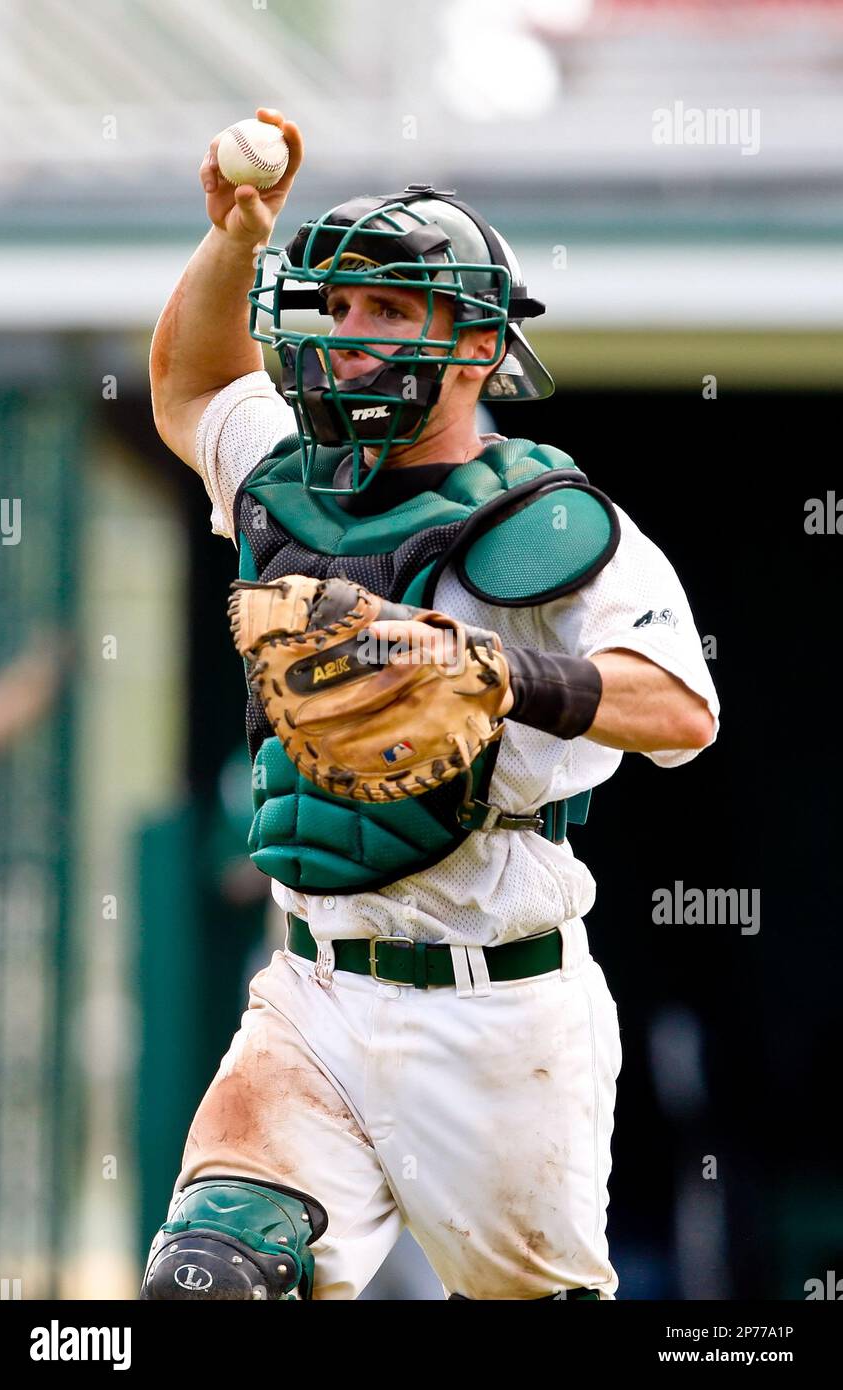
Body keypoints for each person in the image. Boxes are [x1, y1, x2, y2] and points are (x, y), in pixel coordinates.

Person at [141, 108, 719, 1301]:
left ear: (473, 348)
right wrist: (235, 237)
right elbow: (192, 380)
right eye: (336, 306)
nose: (349, 336)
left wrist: (505, 675)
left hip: (500, 1009)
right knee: (207, 1277)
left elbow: (678, 711)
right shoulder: (276, 472)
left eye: (390, 312)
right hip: (309, 988)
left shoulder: (548, 523)